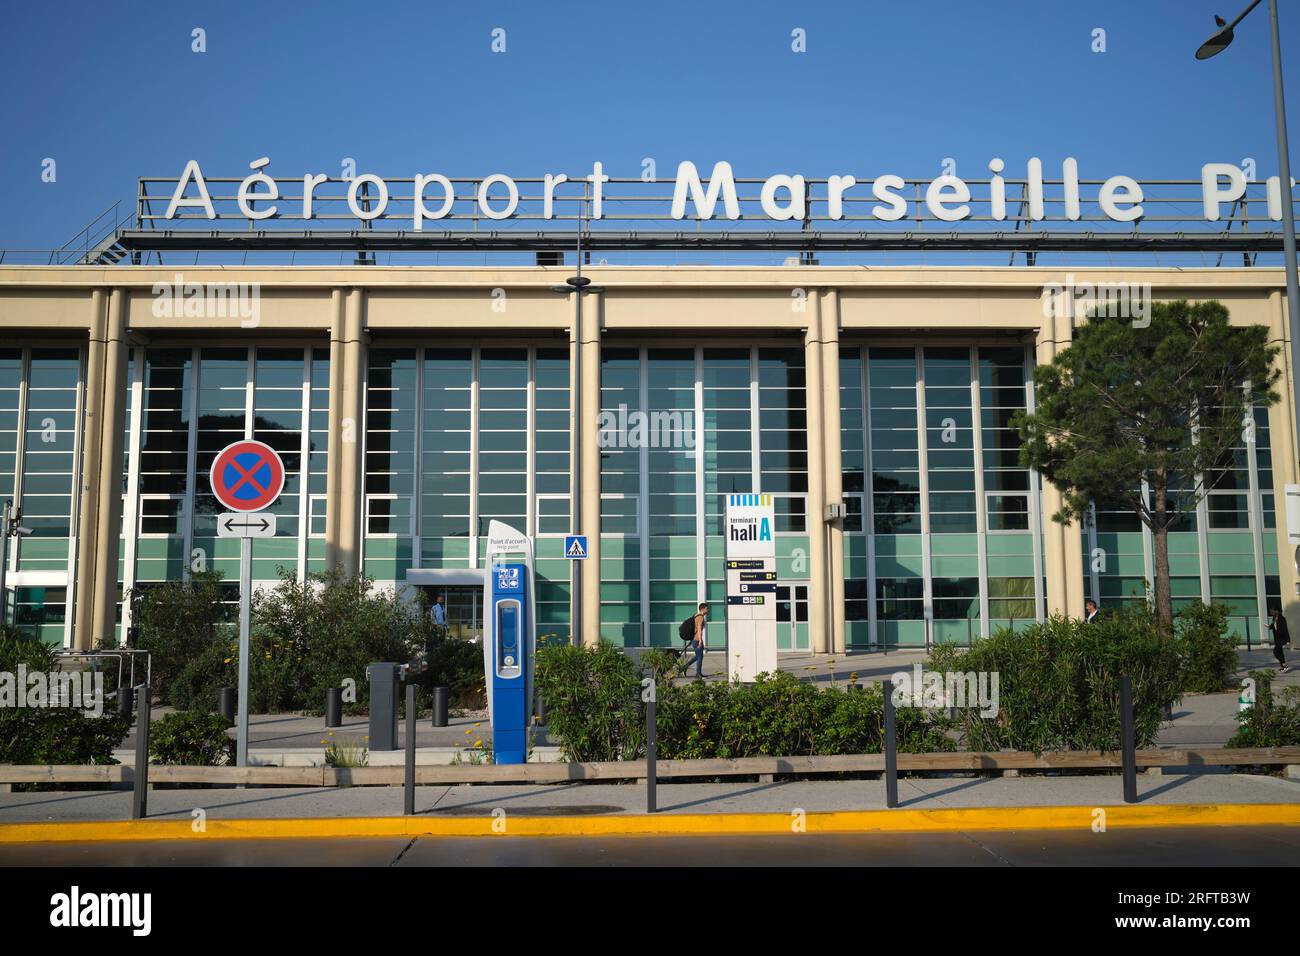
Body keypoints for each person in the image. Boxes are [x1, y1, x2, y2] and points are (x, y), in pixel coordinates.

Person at [1268, 606, 1290, 673]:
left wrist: (1288, 640)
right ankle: (1283, 667)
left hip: (1282, 638)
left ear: (1276, 611)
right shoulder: (1274, 618)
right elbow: (1274, 626)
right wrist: (1270, 626)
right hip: (1276, 638)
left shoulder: (1282, 619)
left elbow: (1285, 629)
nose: (1271, 612)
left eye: (1272, 611)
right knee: (1280, 652)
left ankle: (1284, 665)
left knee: (1276, 652)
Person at [690, 602, 708, 679]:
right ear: (702, 609)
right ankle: (698, 674)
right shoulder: (700, 617)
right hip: (697, 640)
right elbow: (699, 628)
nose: (708, 610)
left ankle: (685, 667)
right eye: (707, 608)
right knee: (700, 657)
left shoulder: (696, 616)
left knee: (698, 656)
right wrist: (700, 640)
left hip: (694, 639)